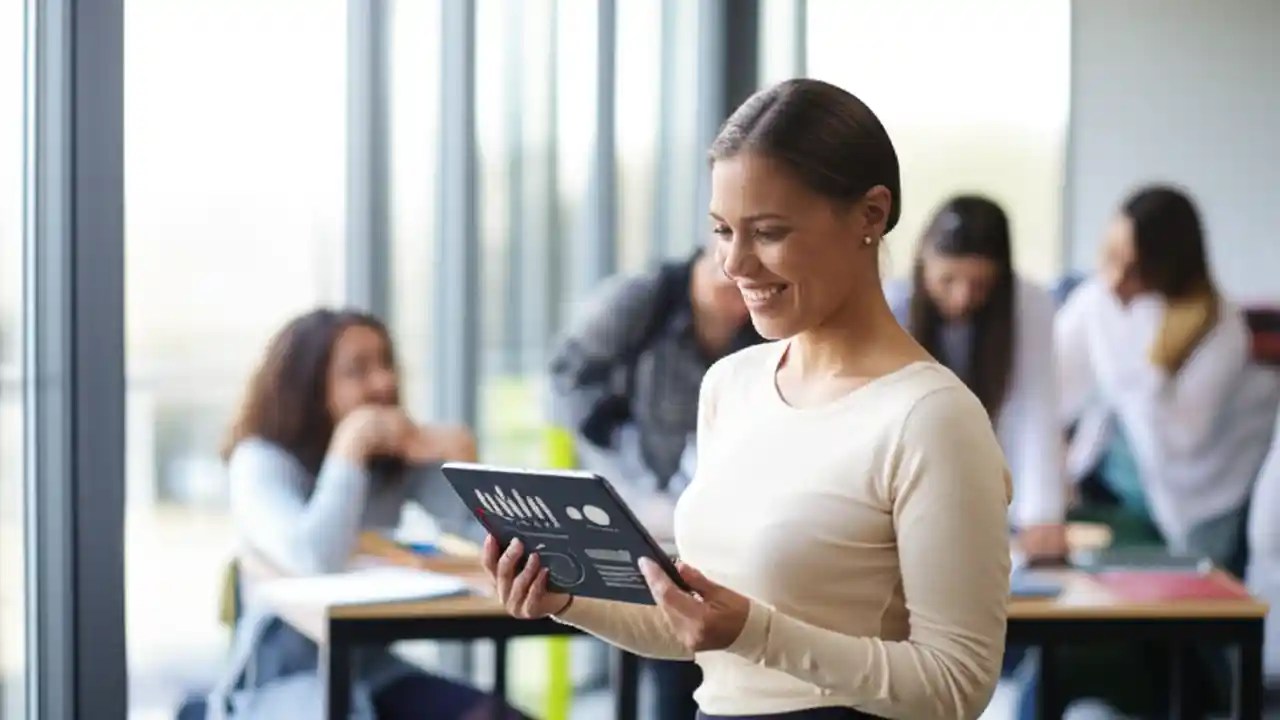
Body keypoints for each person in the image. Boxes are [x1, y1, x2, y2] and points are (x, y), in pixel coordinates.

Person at [485, 78, 1013, 720]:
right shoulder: (730, 387)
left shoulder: (931, 418)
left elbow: (958, 684)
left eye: (767, 232)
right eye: (721, 230)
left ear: (871, 215)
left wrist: (753, 633)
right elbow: (703, 629)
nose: (735, 263)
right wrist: (567, 599)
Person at [206, 309, 528, 720]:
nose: (384, 382)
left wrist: (466, 468)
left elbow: (478, 544)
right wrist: (350, 449)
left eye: (385, 364)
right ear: (308, 385)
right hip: (281, 685)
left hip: (374, 671)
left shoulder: (390, 458)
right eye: (357, 370)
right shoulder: (260, 461)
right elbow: (314, 560)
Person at [1052, 186, 1280, 715]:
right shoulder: (1096, 301)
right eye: (1109, 256)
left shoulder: (1216, 328)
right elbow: (1055, 388)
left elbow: (1184, 438)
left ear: (1164, 265)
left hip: (1206, 493)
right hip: (1126, 487)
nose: (1113, 277)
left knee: (1203, 628)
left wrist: (1149, 372)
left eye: (1130, 266)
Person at [548, 247, 764, 719]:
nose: (736, 299)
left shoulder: (764, 326)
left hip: (713, 506)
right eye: (724, 281)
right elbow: (564, 377)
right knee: (664, 637)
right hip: (634, 491)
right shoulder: (641, 300)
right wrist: (619, 444)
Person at [885, 195, 1066, 559]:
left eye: (980, 284)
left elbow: (1035, 407)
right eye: (947, 280)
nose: (962, 298)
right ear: (923, 264)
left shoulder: (1029, 304)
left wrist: (1042, 514)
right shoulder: (893, 304)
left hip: (996, 488)